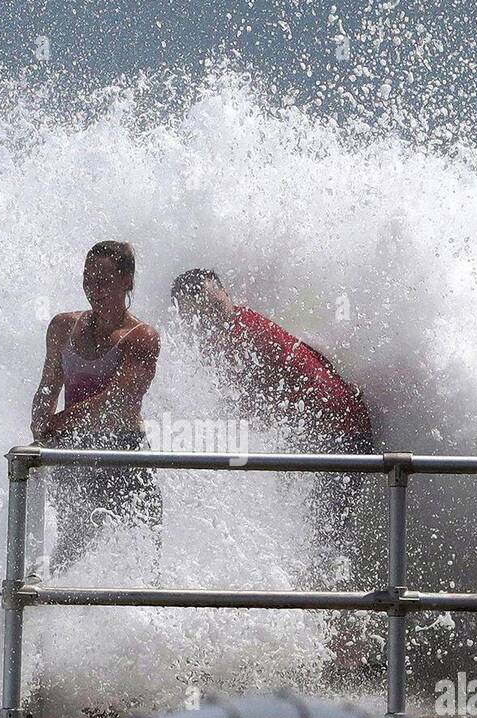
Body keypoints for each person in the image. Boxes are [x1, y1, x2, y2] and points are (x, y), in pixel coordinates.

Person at [171, 268, 380, 681]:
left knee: (323, 542)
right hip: (334, 431)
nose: (211, 311)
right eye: (200, 307)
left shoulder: (236, 337)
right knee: (321, 540)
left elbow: (247, 407)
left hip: (340, 434)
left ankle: (349, 650)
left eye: (214, 300)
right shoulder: (237, 327)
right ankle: (344, 645)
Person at [32, 241, 162, 569]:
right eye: (88, 280)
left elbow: (115, 402)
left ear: (127, 282)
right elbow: (48, 385)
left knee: (138, 562)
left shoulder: (141, 336)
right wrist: (40, 423)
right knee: (70, 548)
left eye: (103, 281)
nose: (94, 289)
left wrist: (59, 422)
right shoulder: (62, 327)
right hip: (73, 453)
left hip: (123, 457)